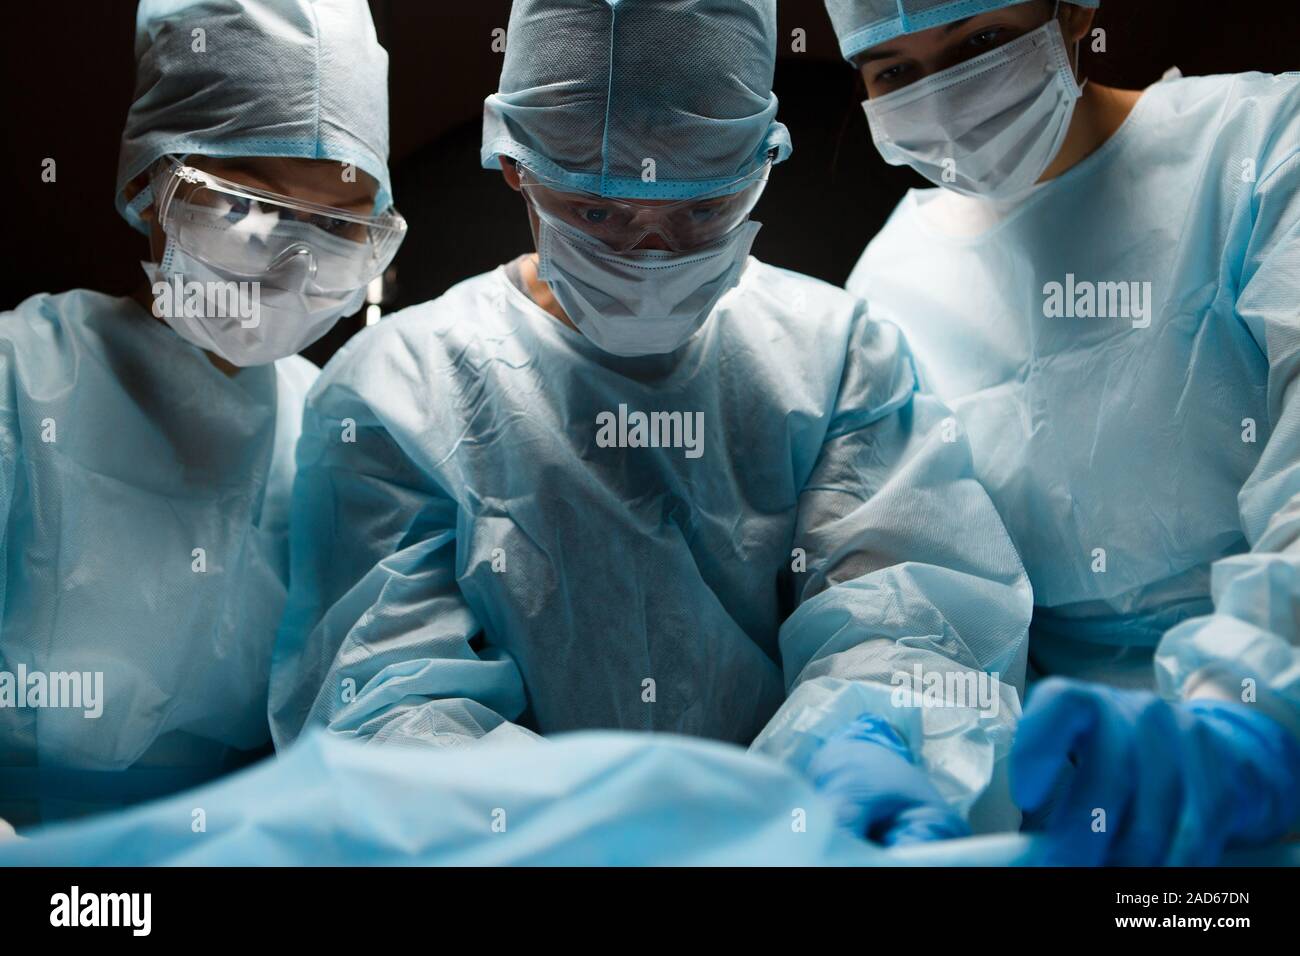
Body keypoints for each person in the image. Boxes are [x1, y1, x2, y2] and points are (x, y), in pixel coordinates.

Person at [270, 0, 1034, 847]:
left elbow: (908, 624)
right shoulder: (395, 393)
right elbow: (387, 706)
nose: (653, 256)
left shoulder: (839, 354)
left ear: (763, 159)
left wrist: (865, 743)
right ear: (516, 165)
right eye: (599, 215)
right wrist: (591, 835)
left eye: (702, 210)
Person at [824, 0, 1300, 863]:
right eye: (893, 71)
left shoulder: (1260, 150)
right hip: (1063, 778)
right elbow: (918, 588)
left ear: (1075, 12)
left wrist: (1253, 716)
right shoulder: (887, 288)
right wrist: (905, 730)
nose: (947, 98)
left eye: (980, 43)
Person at [0, 0, 403, 829]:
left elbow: (352, 707)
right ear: (150, 184)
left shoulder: (331, 432)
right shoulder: (20, 379)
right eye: (244, 209)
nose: (291, 268)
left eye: (336, 227)